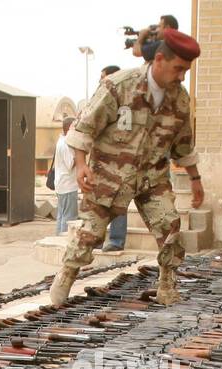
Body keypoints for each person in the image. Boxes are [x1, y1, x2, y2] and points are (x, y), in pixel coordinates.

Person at [50, 30, 204, 307]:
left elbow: (183, 145)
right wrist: (82, 165)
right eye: (178, 68)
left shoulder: (179, 100)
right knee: (90, 235)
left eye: (186, 70)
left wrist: (195, 179)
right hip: (109, 175)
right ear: (159, 59)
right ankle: (67, 274)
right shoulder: (118, 86)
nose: (182, 76)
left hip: (151, 178)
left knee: (170, 227)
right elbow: (84, 127)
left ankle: (167, 283)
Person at [98, 65, 127, 253]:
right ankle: (98, 239)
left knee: (118, 202)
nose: (100, 81)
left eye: (103, 77)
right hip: (107, 159)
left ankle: (116, 240)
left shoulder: (117, 97)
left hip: (119, 159)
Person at [54, 117, 78, 235]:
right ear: (70, 128)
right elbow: (71, 164)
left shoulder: (61, 142)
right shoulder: (66, 144)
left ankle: (58, 237)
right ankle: (64, 239)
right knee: (69, 217)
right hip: (68, 186)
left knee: (61, 215)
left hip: (62, 184)